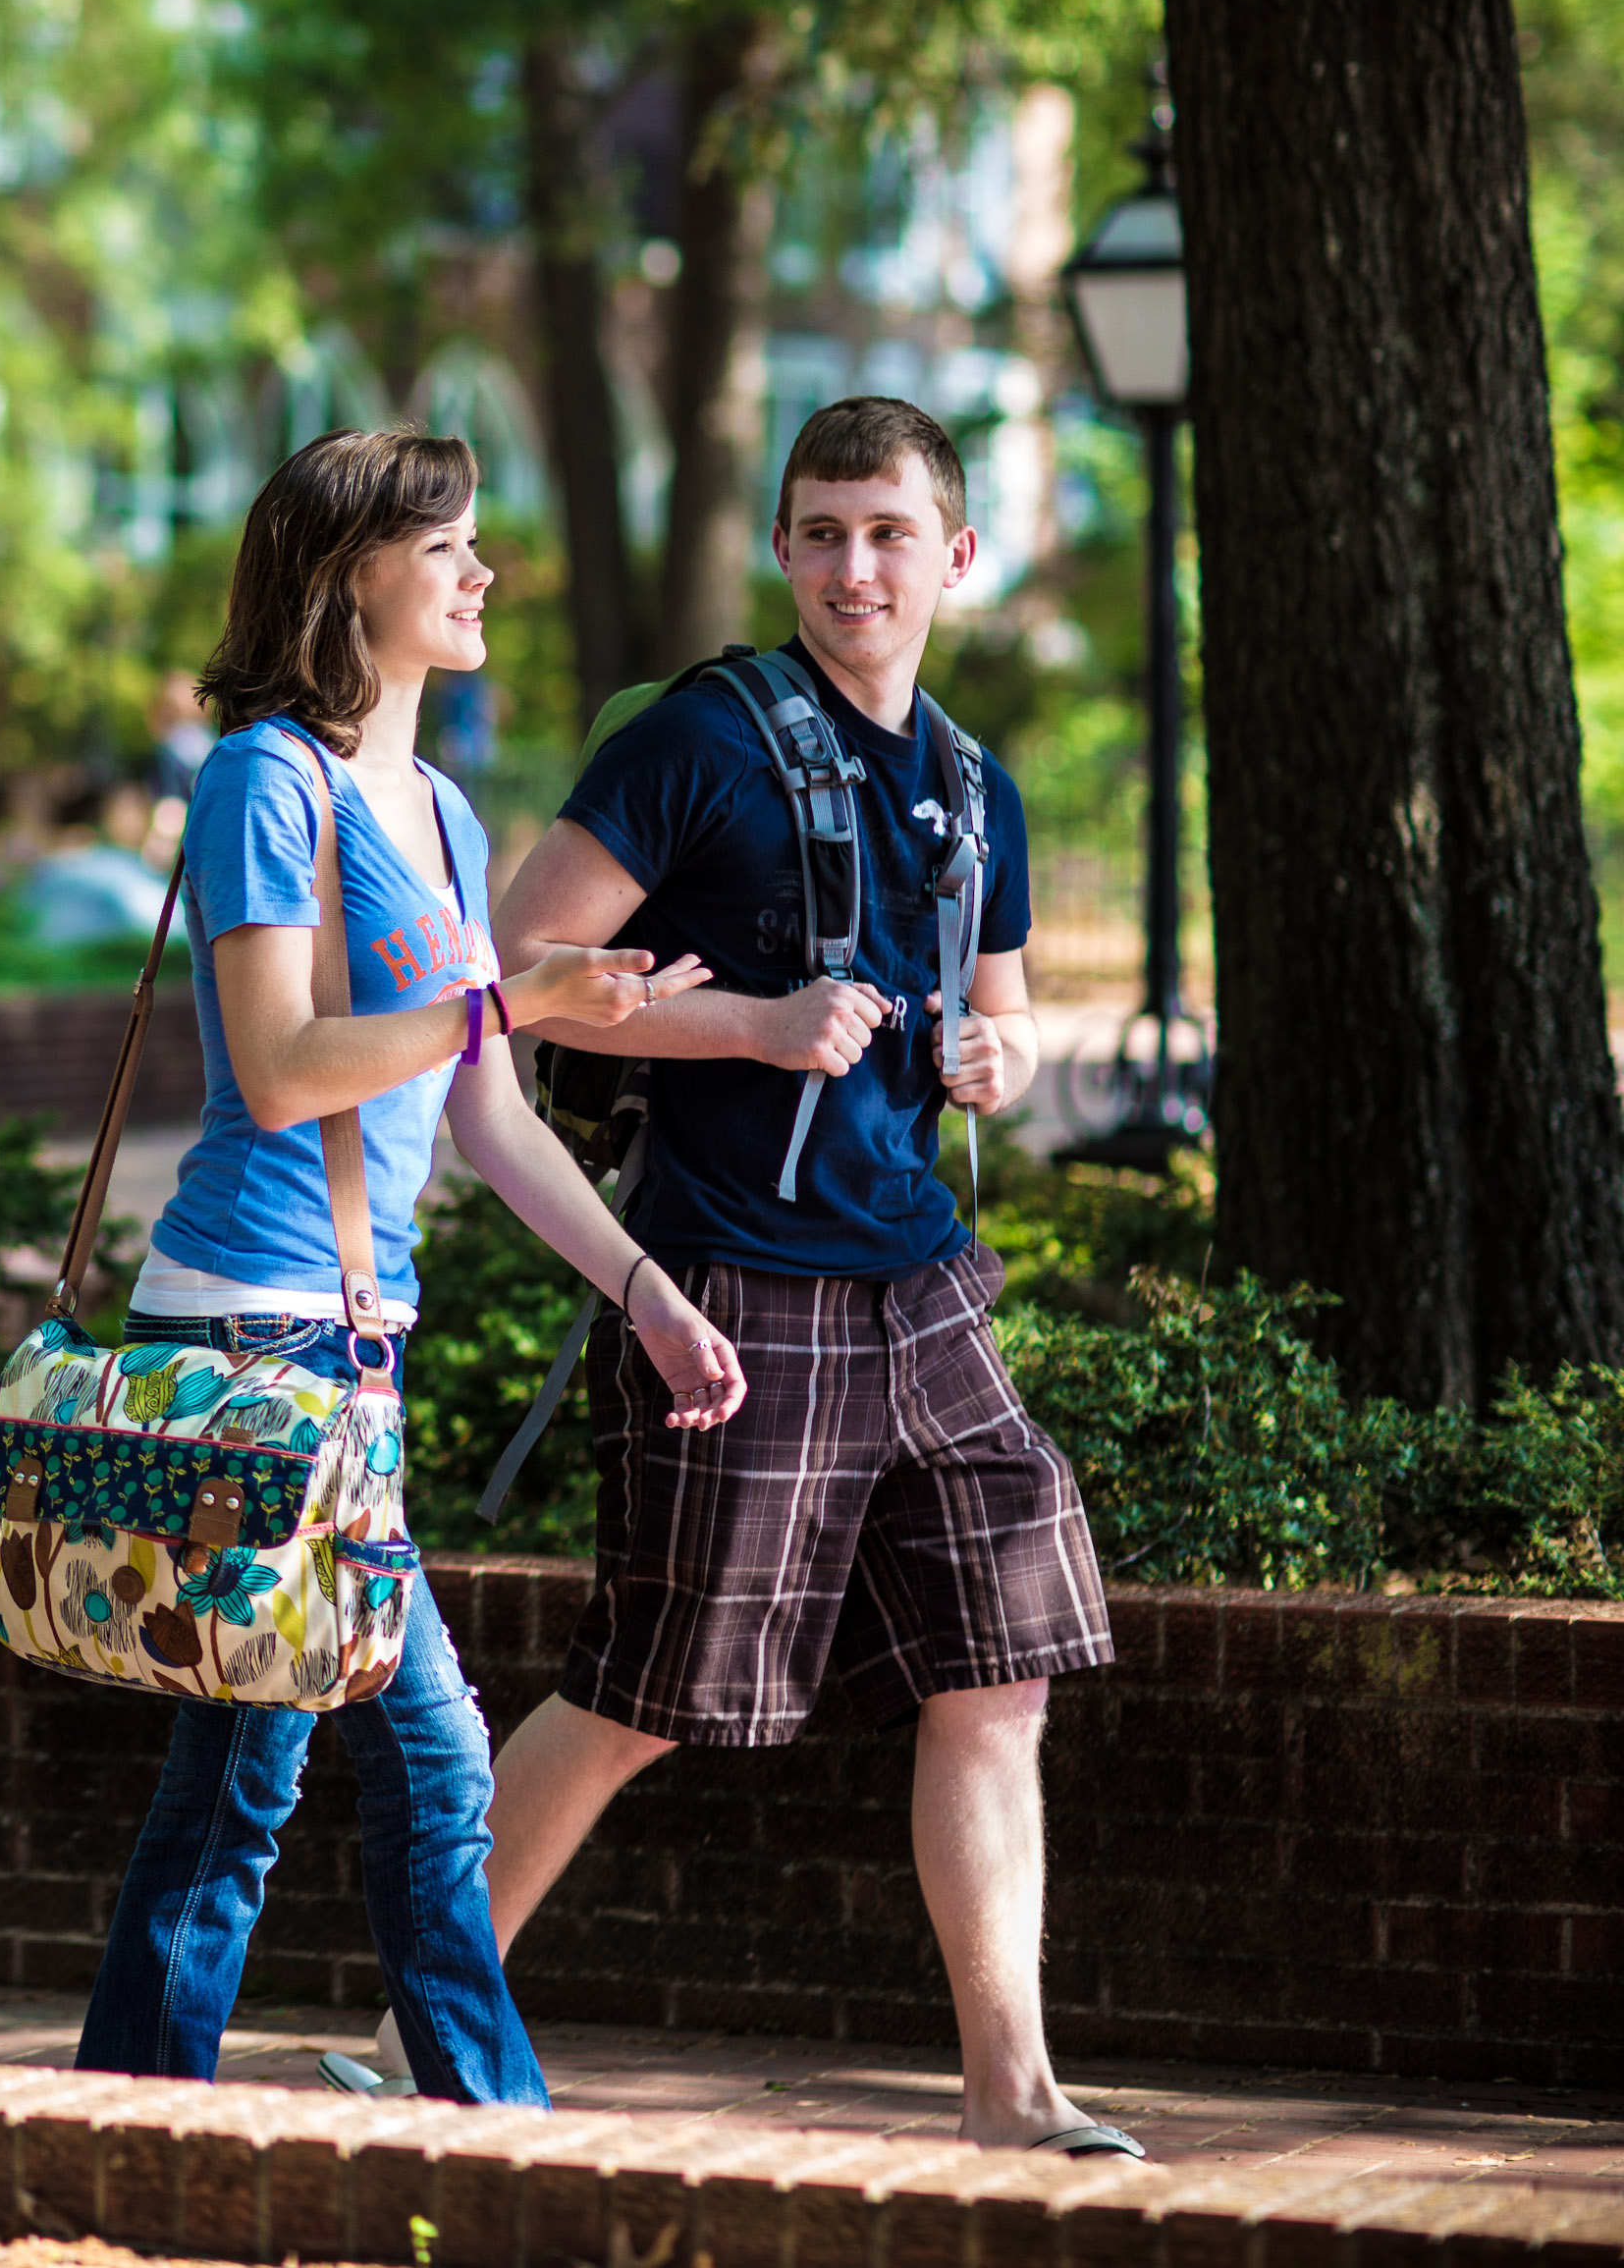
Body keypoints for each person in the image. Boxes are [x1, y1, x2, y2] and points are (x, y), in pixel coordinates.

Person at [482, 397, 1132, 2158]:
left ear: (956, 556)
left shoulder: (977, 785)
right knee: (644, 1692)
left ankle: (1014, 2092)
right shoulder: (697, 741)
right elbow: (513, 969)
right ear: (782, 546)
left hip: (923, 1285)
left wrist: (1003, 1057)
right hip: (735, 1280)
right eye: (825, 532)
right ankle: (424, 2023)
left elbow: (1003, 1012)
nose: (857, 567)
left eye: (890, 533)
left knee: (1001, 1668)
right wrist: (753, 1026)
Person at [76, 426, 750, 2107]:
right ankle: (485, 2120)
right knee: (423, 1759)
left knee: (243, 1781)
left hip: (352, 1347)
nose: (481, 572)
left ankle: (124, 2112)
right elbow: (280, 1069)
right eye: (446, 545)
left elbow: (487, 1117)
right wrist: (516, 996)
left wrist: (645, 1289)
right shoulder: (263, 781)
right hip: (249, 1333)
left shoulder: (443, 811)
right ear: (349, 573)